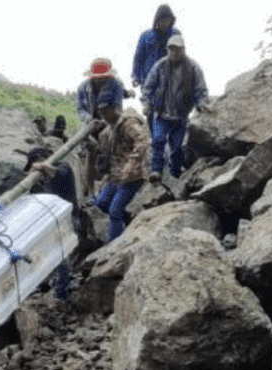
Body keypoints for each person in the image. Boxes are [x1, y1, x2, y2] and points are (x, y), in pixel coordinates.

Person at [141, 35, 208, 183]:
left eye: (177, 49)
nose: (174, 53)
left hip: (180, 115)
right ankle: (156, 170)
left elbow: (201, 89)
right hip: (161, 112)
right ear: (167, 50)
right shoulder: (160, 65)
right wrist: (146, 104)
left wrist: (202, 103)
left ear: (183, 50)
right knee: (158, 140)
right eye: (171, 49)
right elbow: (148, 87)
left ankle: (175, 172)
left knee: (177, 147)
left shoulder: (193, 67)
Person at [25, 146, 83, 298]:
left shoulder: (62, 166)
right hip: (54, 221)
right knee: (49, 253)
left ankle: (61, 294)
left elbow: (57, 173)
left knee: (61, 255)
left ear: (39, 159)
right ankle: (49, 285)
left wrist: (43, 167)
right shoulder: (45, 177)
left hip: (69, 219)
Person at [90, 92, 149, 242]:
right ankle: (129, 220)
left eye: (105, 111)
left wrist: (132, 163)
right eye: (100, 112)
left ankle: (113, 244)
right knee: (101, 203)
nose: (103, 115)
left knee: (114, 210)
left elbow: (142, 141)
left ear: (113, 109)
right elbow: (104, 151)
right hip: (115, 175)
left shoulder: (128, 124)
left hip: (131, 175)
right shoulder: (107, 130)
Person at [76, 58, 129, 197]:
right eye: (97, 77)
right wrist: (90, 120)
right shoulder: (83, 88)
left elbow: (117, 108)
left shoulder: (116, 84)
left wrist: (108, 122)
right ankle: (91, 191)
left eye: (103, 76)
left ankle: (108, 188)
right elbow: (81, 109)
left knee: (113, 153)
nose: (100, 79)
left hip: (110, 122)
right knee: (90, 154)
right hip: (91, 125)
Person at [132, 4, 180, 135]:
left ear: (171, 21)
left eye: (166, 20)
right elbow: (138, 58)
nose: (164, 23)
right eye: (161, 20)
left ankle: (169, 140)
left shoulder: (175, 34)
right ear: (156, 20)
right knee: (150, 111)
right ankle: (155, 141)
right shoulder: (146, 36)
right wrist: (135, 76)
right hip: (148, 80)